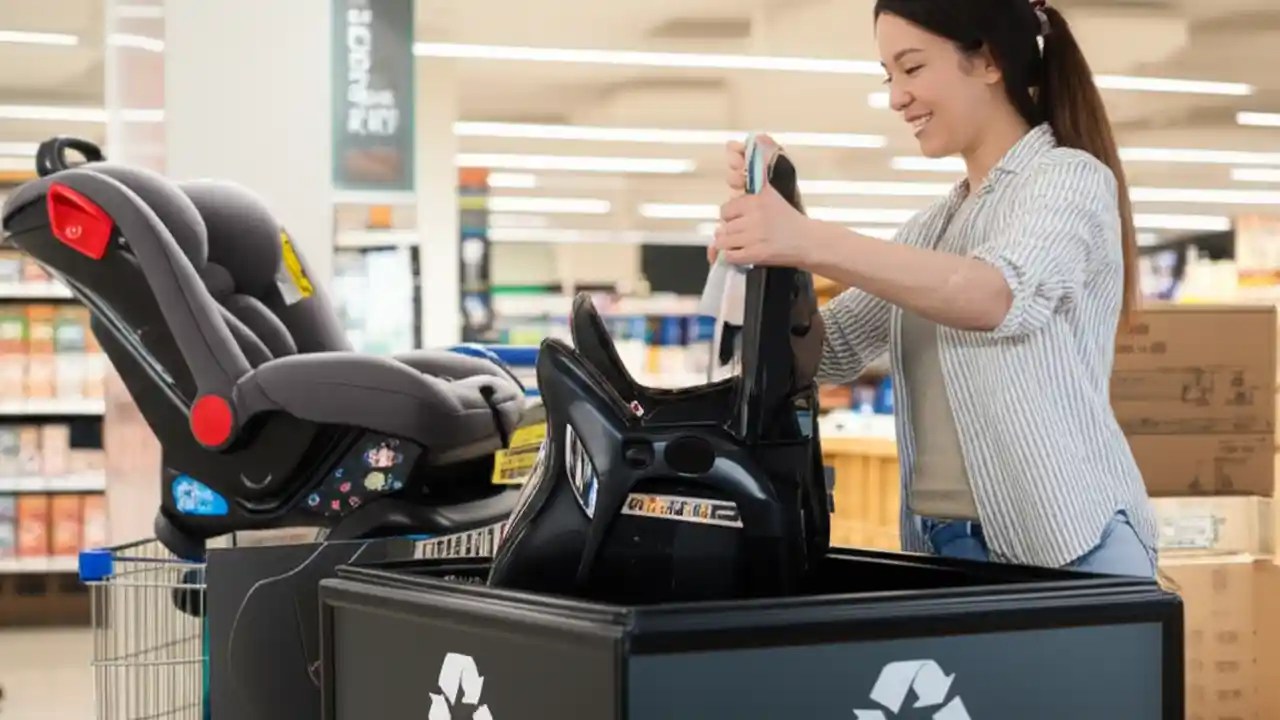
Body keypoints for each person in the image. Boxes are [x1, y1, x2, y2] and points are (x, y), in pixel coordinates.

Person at [710, 0, 1158, 577]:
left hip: (1071, 545)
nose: (897, 96)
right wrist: (768, 252)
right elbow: (830, 349)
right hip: (945, 547)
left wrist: (806, 238)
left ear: (990, 60)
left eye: (913, 68)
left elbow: (995, 296)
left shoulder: (1069, 180)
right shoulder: (932, 227)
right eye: (889, 76)